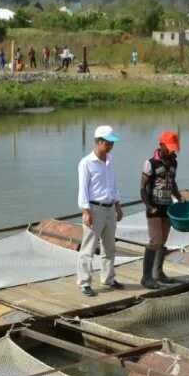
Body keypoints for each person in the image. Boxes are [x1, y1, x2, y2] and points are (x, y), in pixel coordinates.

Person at [76, 125, 124, 296]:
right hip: (94, 209)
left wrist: (118, 205)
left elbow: (113, 185)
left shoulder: (110, 160)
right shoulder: (86, 163)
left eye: (112, 143)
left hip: (110, 208)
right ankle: (84, 282)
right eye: (108, 142)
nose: (111, 146)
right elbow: (83, 190)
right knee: (88, 248)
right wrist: (86, 212)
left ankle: (108, 278)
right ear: (98, 141)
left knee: (110, 246)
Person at [139, 131, 186, 289]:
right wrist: (148, 205)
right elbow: (143, 188)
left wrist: (179, 196)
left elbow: (172, 183)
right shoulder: (151, 163)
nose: (172, 151)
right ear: (161, 145)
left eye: (174, 148)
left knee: (163, 241)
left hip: (168, 207)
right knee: (155, 241)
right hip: (153, 208)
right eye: (170, 148)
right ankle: (146, 277)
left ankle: (158, 273)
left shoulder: (174, 163)